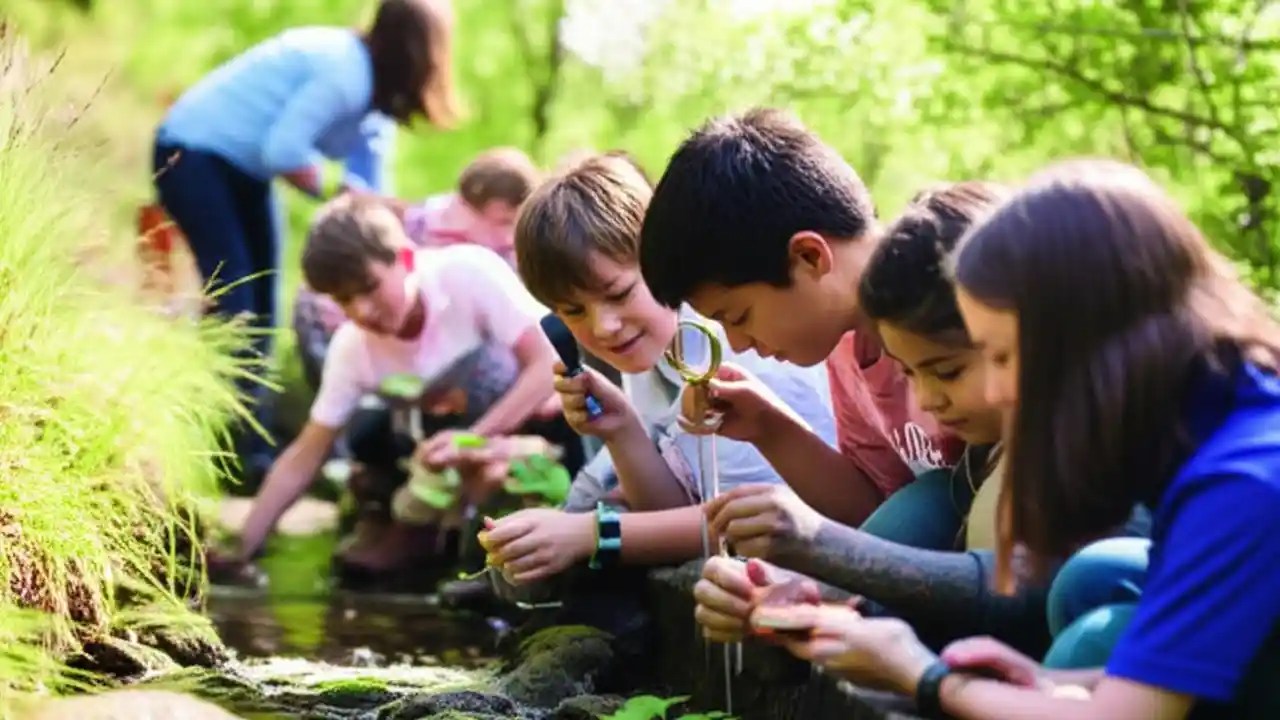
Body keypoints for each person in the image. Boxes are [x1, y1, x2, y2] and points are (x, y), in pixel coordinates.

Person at [746, 159, 1280, 719]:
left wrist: (922, 675)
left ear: (1091, 334)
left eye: (1003, 357)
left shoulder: (1240, 478)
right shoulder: (1204, 420)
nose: (1000, 390)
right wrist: (1041, 680)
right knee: (1095, 581)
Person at [692, 181, 1050, 653]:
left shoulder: (1080, 452)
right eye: (907, 373)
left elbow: (1015, 597)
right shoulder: (966, 473)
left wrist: (819, 546)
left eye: (947, 372)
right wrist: (800, 601)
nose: (925, 401)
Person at [478, 154, 836, 587]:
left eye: (620, 293)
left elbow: (762, 523)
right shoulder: (652, 353)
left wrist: (593, 534)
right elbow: (670, 509)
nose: (604, 326)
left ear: (660, 263)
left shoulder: (738, 346)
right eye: (573, 311)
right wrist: (622, 430)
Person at [152, 0, 458, 479]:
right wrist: (341, 189)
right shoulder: (343, 71)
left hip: (242, 171)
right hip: (191, 155)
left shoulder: (373, 104)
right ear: (412, 53)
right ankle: (214, 451)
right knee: (237, 300)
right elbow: (283, 150)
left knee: (262, 306)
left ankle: (247, 451)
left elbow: (370, 191)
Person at [639, 108, 962, 528]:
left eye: (739, 316)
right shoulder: (847, 349)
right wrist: (768, 428)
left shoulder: (954, 302)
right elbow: (873, 511)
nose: (737, 344)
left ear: (809, 256)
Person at [214, 193, 560, 577]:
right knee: (365, 432)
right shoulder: (352, 348)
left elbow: (547, 363)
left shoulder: (467, 274)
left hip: (525, 420)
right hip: (429, 453)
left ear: (406, 260)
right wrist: (245, 542)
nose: (362, 310)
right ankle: (394, 517)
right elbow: (307, 453)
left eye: (369, 287)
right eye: (345, 299)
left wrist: (474, 438)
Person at [293, 146, 540, 390]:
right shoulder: (410, 232)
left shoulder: (487, 253)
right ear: (465, 206)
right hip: (334, 334)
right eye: (503, 222)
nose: (509, 238)